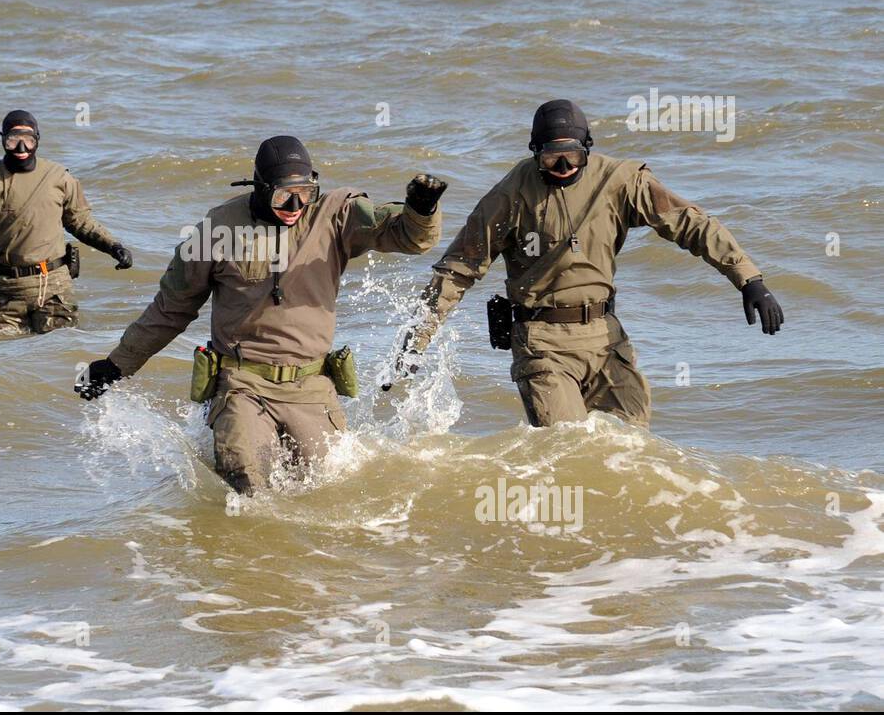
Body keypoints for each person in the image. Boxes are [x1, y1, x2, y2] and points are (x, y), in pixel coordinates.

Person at [78, 136, 446, 494]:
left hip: (312, 386)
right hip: (242, 384)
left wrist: (421, 211)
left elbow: (407, 237)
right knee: (246, 485)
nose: (295, 204)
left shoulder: (336, 215)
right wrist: (116, 366)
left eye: (306, 194)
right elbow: (171, 309)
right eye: (284, 195)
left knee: (330, 489)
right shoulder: (216, 228)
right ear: (260, 187)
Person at [389, 99, 784, 427]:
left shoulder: (621, 181)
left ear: (588, 148)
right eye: (552, 158)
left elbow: (689, 224)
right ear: (535, 154)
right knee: (568, 451)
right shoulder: (509, 195)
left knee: (633, 453)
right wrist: (415, 341)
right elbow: (457, 271)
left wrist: (749, 279)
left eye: (573, 155)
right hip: (542, 345)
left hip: (606, 339)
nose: (564, 167)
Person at [0, 110, 133, 333]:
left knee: (58, 355)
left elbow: (80, 221)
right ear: (2, 140)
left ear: (37, 140)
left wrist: (113, 246)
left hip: (55, 287)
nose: (21, 148)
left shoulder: (59, 178)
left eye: (28, 140)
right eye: (13, 140)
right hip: (6, 291)